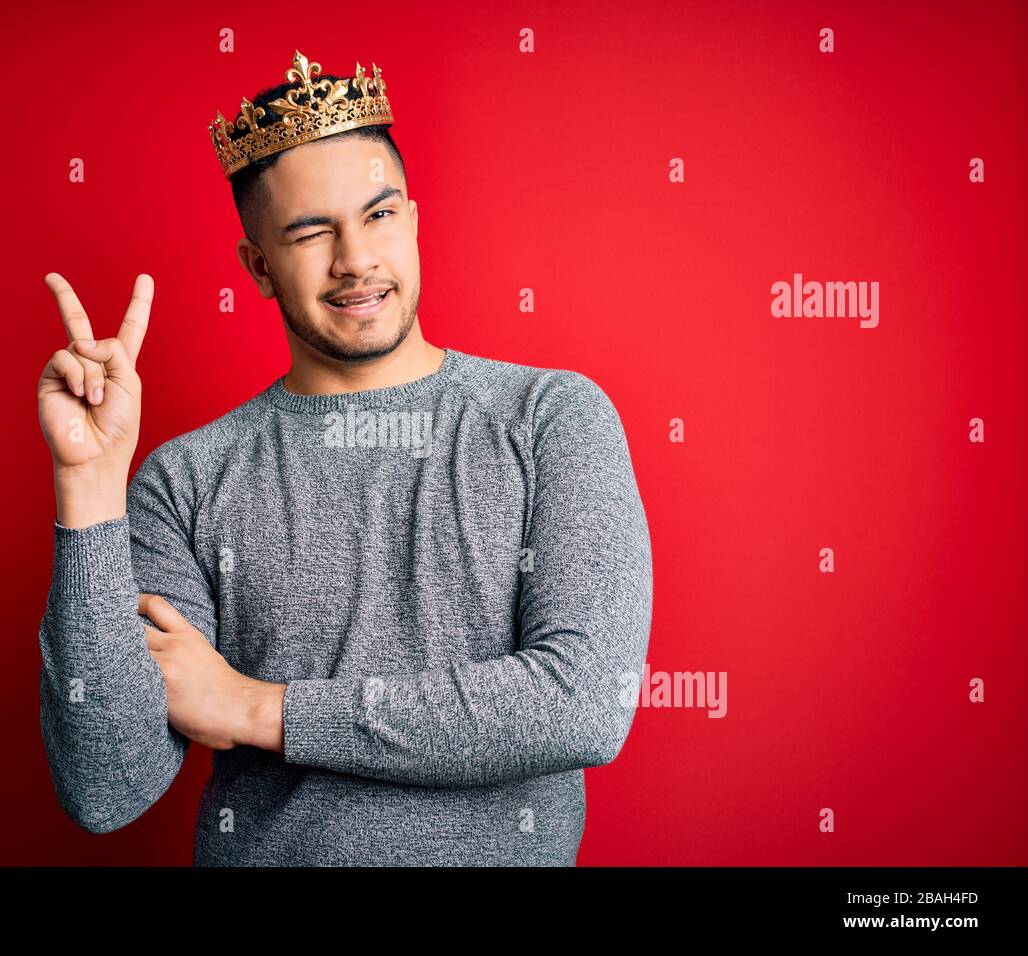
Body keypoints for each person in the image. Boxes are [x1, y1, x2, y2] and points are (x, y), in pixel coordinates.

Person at [35, 49, 653, 865]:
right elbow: (108, 786)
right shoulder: (185, 482)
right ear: (259, 267)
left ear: (415, 220)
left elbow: (580, 704)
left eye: (379, 214)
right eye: (311, 231)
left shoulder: (552, 418)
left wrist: (261, 711)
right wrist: (88, 490)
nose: (356, 258)